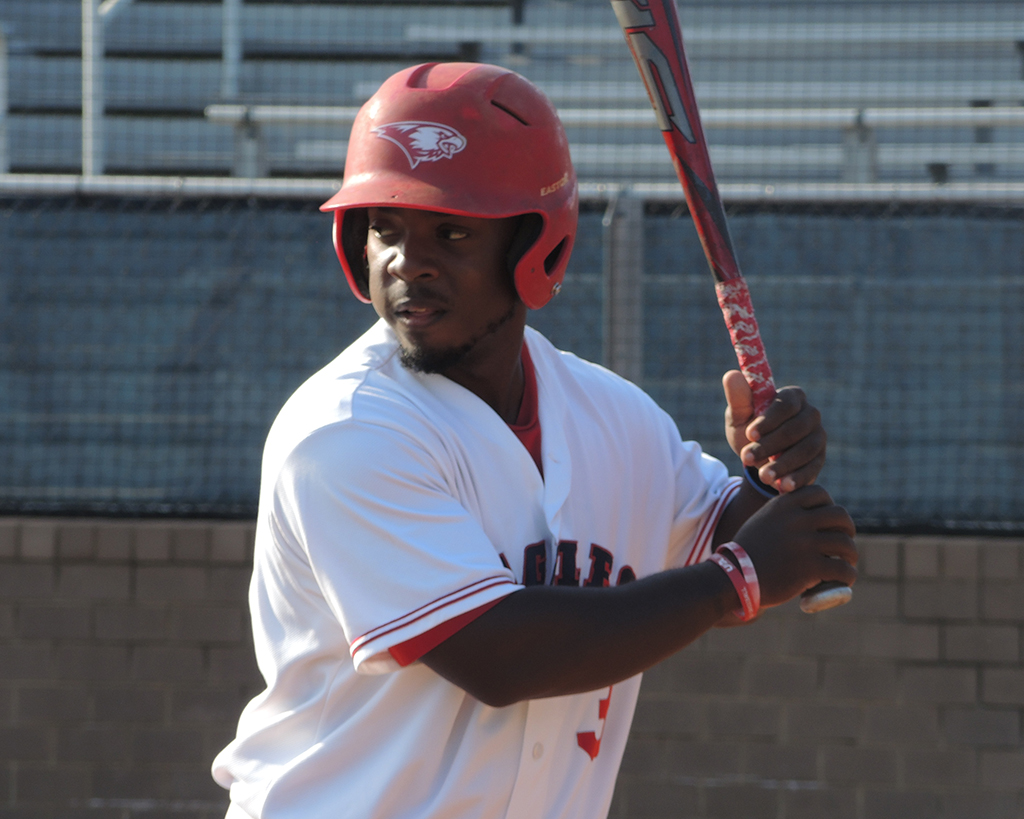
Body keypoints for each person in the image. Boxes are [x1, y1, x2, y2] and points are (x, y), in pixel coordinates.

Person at [212, 62, 856, 819]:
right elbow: (502, 655)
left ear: (533, 246)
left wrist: (770, 476)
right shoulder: (344, 431)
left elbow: (722, 535)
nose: (406, 262)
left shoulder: (611, 415)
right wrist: (740, 580)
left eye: (451, 231)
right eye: (386, 227)